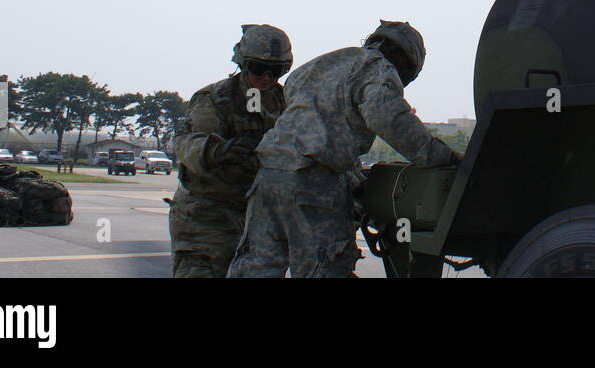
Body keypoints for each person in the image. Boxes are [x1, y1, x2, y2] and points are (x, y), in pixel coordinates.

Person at [228, 20, 459, 278]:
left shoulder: (318, 66)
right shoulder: (376, 68)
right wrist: (443, 156)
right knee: (323, 270)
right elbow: (388, 118)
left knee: (256, 269)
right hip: (313, 188)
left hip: (268, 180)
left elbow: (312, 128)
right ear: (404, 59)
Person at [168, 24, 291, 277]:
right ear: (243, 64)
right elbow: (186, 143)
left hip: (259, 217)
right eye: (259, 68)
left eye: (276, 70)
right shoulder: (215, 98)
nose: (267, 77)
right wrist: (217, 151)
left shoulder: (287, 101)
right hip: (206, 217)